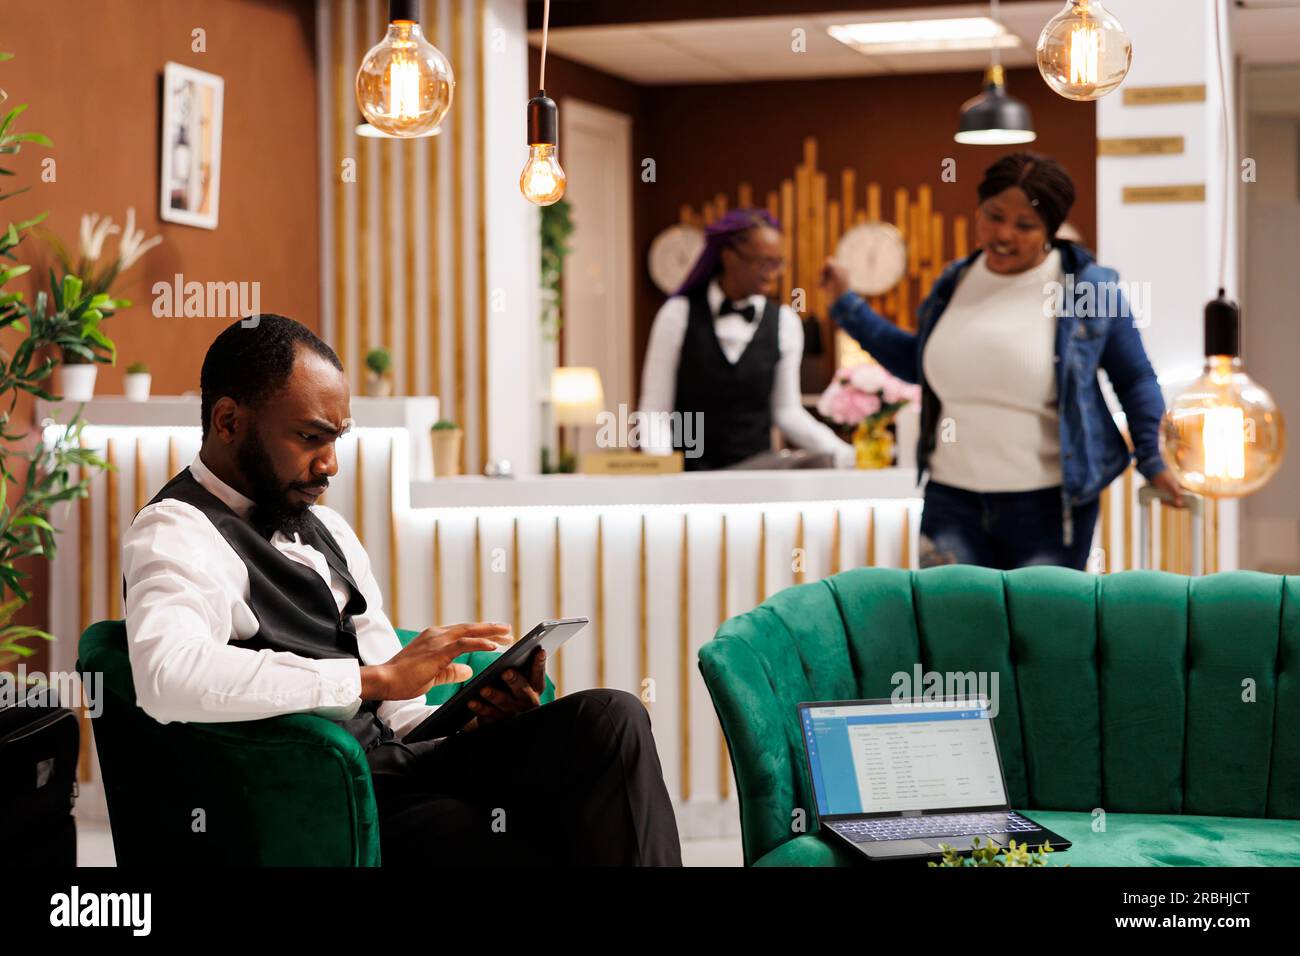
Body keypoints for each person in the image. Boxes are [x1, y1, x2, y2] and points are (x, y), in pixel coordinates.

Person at [121, 314, 682, 866]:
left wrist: (481, 718)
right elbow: (168, 676)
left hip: (400, 765)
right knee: (514, 833)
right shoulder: (176, 529)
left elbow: (398, 708)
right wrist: (371, 678)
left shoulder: (329, 531)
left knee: (611, 720)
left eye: (336, 439)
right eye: (309, 437)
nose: (330, 463)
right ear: (227, 422)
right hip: (325, 799)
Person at [820, 153, 1183, 571]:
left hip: (1048, 508)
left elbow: (1134, 378)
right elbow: (915, 361)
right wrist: (847, 306)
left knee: (1042, 634)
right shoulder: (954, 282)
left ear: (1050, 230)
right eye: (994, 216)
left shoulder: (1088, 289)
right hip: (950, 500)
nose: (1004, 234)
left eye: (1025, 225)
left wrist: (1154, 461)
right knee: (950, 631)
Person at [639, 208, 855, 470]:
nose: (772, 273)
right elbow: (655, 412)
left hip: (757, 474)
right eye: (763, 262)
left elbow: (787, 412)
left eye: (778, 263)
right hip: (690, 475)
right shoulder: (677, 315)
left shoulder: (785, 322)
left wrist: (844, 454)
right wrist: (665, 472)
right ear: (729, 257)